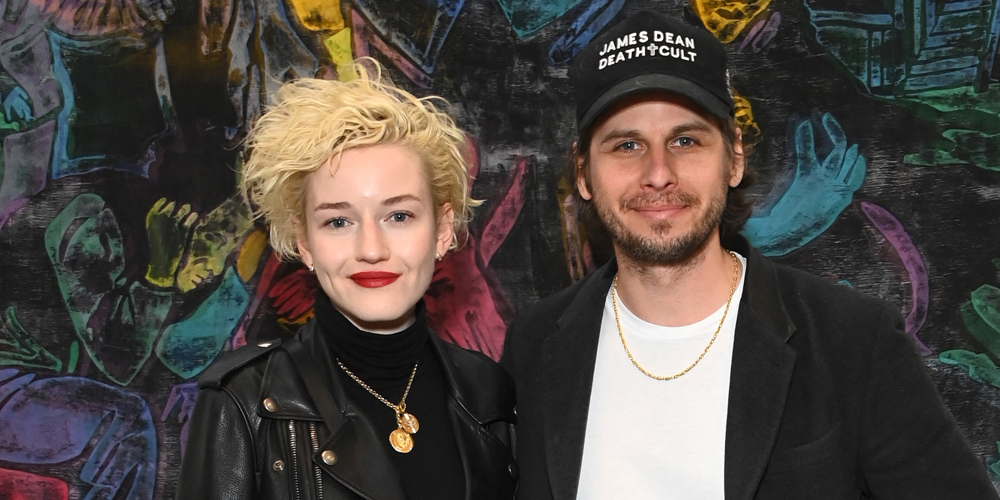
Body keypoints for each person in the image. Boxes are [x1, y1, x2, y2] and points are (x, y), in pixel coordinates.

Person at [500, 10, 998, 500]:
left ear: (734, 157)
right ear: (584, 173)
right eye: (627, 145)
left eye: (686, 140)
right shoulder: (535, 344)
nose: (658, 173)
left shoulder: (852, 342)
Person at [176, 59, 518, 500]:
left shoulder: (489, 393)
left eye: (399, 216)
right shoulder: (243, 401)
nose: (371, 249)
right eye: (338, 222)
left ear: (443, 230)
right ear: (304, 243)